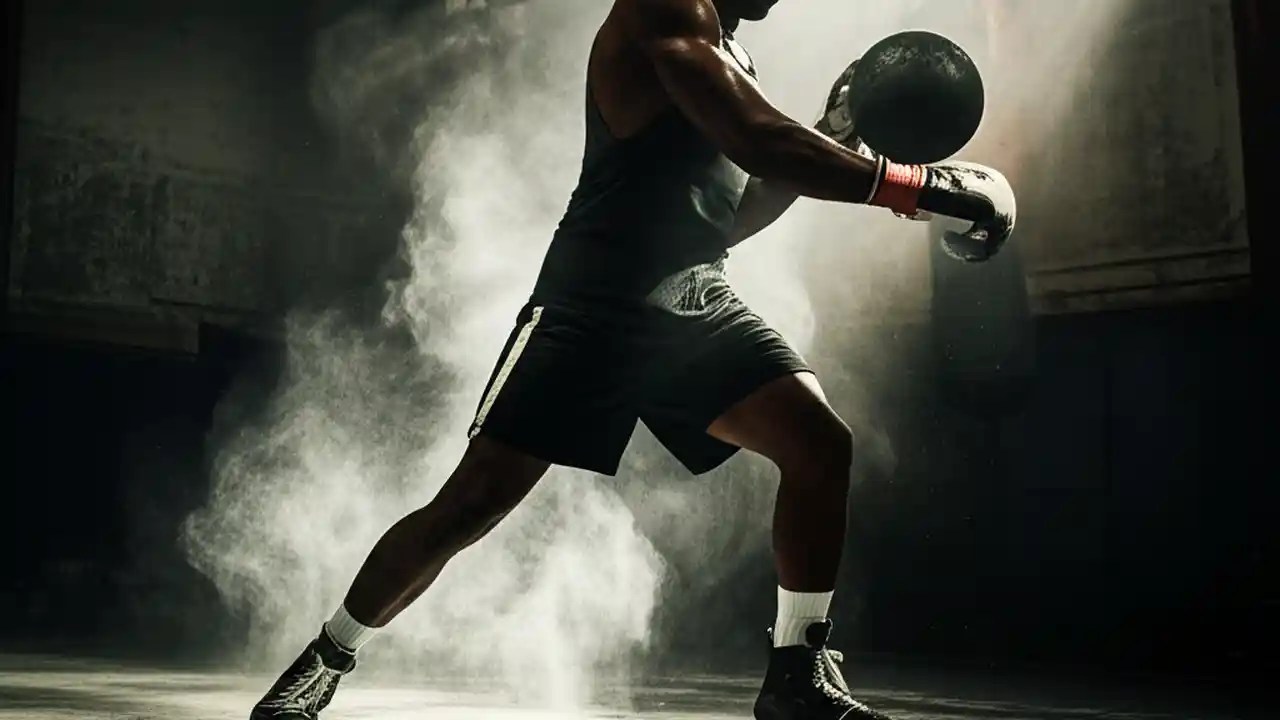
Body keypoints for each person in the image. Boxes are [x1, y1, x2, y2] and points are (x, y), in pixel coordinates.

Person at [249, 0, 1014, 718]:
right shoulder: (665, 7)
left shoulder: (733, 56)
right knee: (472, 504)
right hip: (595, 299)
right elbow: (760, 141)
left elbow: (735, 211)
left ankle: (795, 676)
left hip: (690, 298)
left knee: (820, 444)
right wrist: (922, 189)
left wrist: (836, 133)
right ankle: (324, 658)